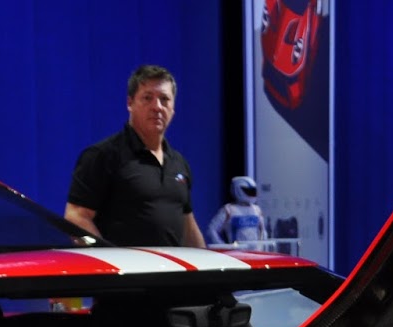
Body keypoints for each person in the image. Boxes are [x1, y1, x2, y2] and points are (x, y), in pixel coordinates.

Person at [65, 65, 206, 248]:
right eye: (147, 98)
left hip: (170, 275)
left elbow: (187, 224)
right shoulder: (103, 156)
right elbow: (76, 217)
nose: (157, 107)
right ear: (130, 103)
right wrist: (114, 263)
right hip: (125, 274)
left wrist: (207, 271)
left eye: (164, 99)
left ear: (173, 109)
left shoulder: (179, 163)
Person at [205, 176, 269, 247]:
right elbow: (211, 230)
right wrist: (223, 246)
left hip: (255, 254)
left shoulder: (257, 210)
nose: (251, 194)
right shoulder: (228, 210)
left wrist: (261, 246)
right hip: (237, 253)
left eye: (253, 191)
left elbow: (263, 231)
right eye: (248, 191)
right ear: (238, 190)